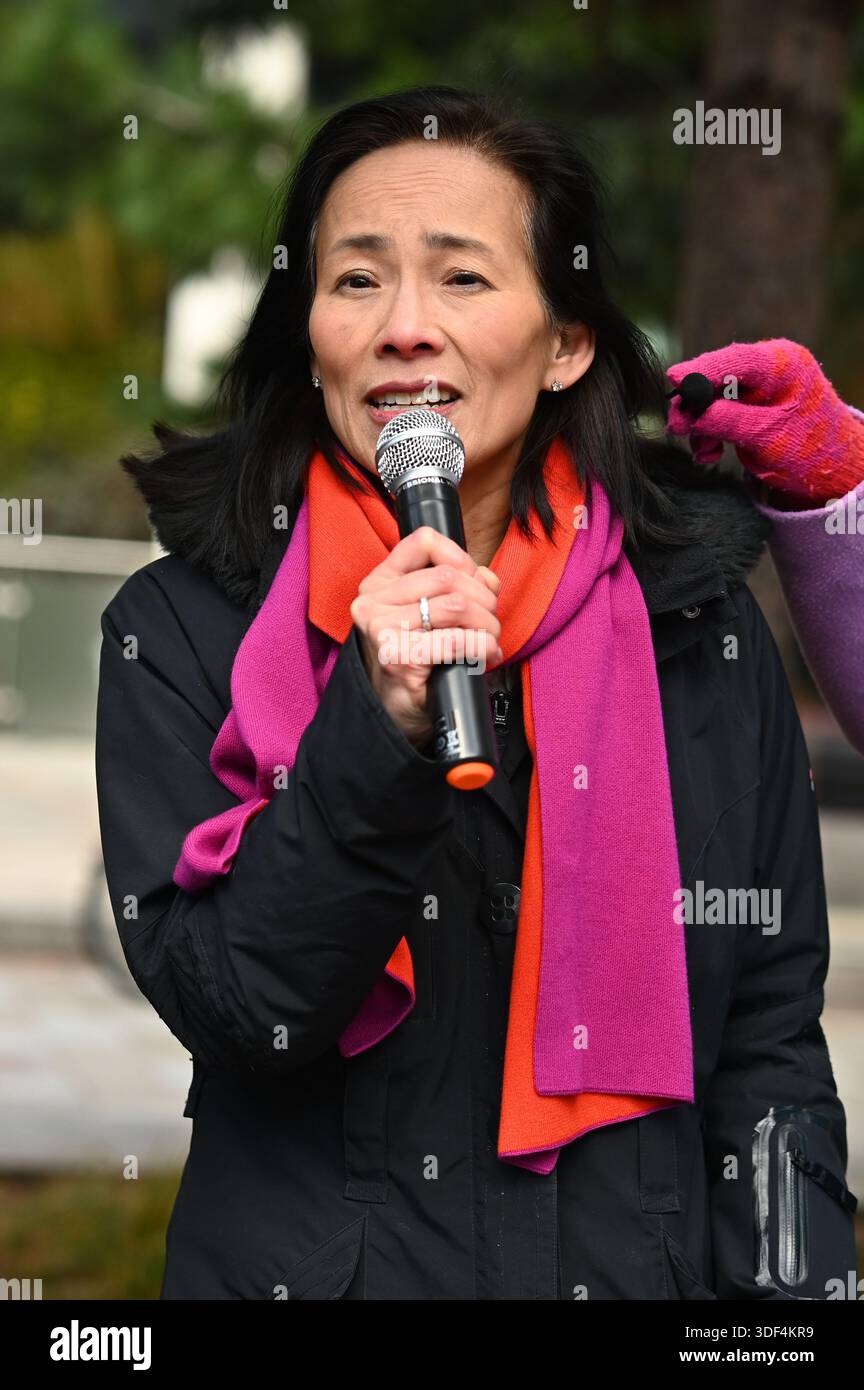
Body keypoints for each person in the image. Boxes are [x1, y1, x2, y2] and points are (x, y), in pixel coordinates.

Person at [95, 86, 859, 1301]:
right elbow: (241, 1011)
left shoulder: (695, 628)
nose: (406, 327)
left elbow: (768, 1040)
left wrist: (792, 1313)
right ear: (307, 330)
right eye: (355, 281)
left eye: (461, 278)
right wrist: (372, 728)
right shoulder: (179, 630)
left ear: (567, 341)